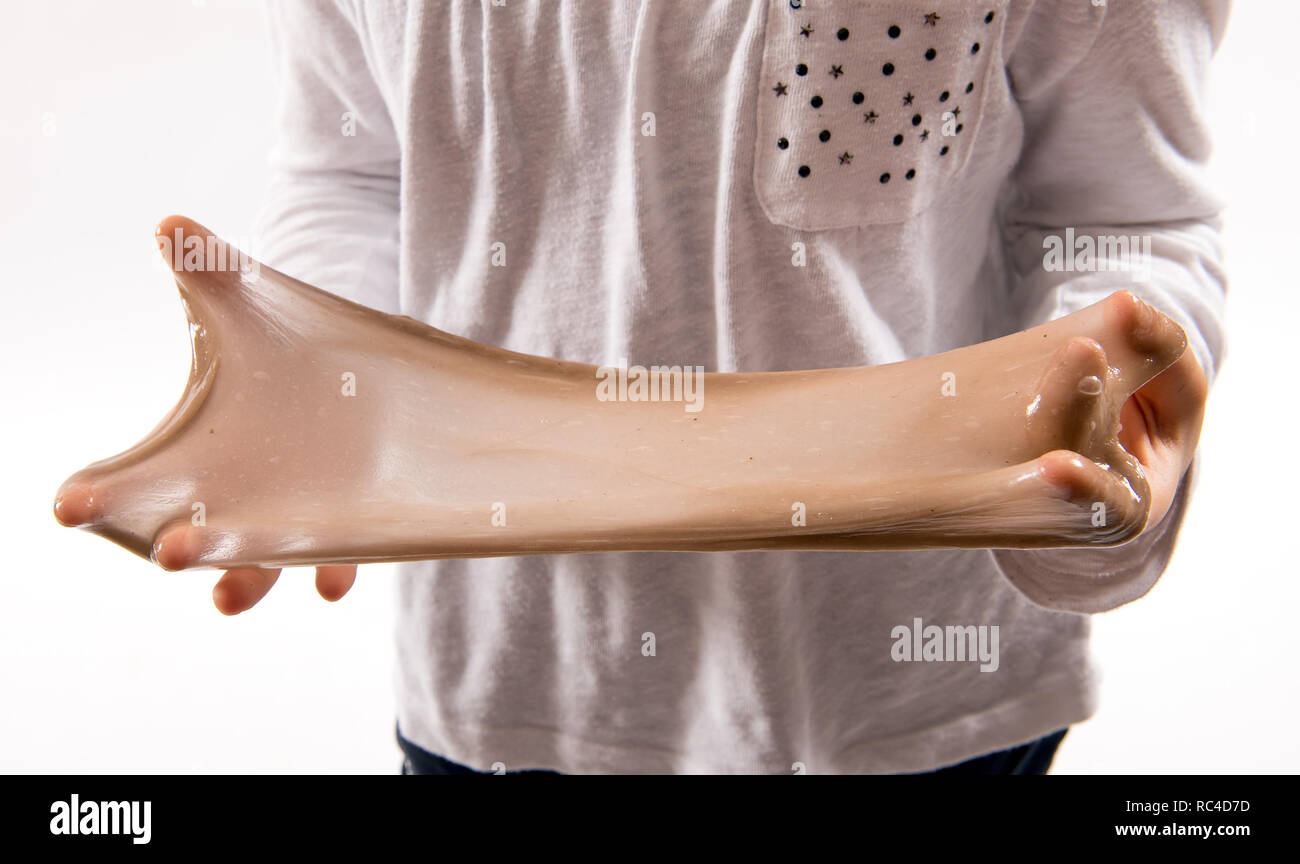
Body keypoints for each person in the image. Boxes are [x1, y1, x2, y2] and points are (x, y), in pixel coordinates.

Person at [225, 0, 1227, 773]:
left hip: (914, 713)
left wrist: (1087, 474)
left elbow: (1125, 212)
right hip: (502, 680)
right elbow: (351, 166)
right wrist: (313, 369)